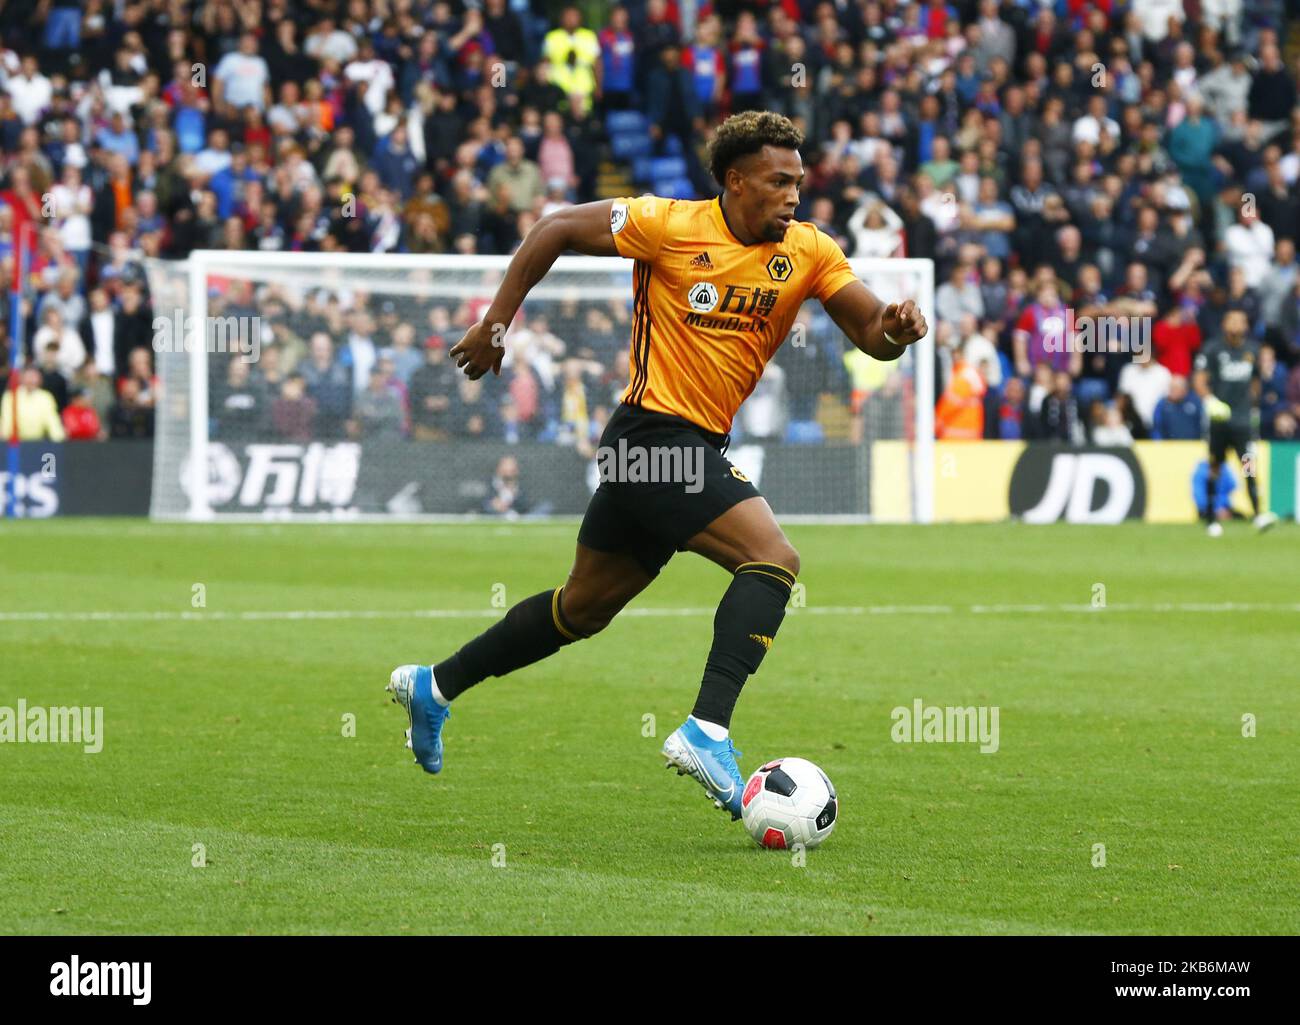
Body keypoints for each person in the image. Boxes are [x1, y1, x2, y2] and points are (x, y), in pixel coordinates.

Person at [385, 112, 928, 822]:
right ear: (736, 181)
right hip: (650, 436)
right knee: (772, 559)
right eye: (779, 181)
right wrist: (496, 323)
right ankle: (706, 729)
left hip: (682, 448)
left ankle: (435, 684)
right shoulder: (668, 225)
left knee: (580, 609)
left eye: (799, 181)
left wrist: (895, 327)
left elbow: (867, 331)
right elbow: (553, 228)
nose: (795, 194)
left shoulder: (810, 251)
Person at [1193, 309, 1277, 536]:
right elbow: (1199, 380)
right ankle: (1210, 518)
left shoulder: (1252, 350)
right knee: (1214, 467)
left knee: (1248, 465)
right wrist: (1210, 400)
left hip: (1242, 422)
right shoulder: (1213, 349)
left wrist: (1254, 407)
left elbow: (1256, 382)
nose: (1236, 324)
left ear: (1246, 325)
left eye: (1240, 320)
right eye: (1232, 320)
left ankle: (1258, 514)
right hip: (1219, 422)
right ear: (1224, 324)